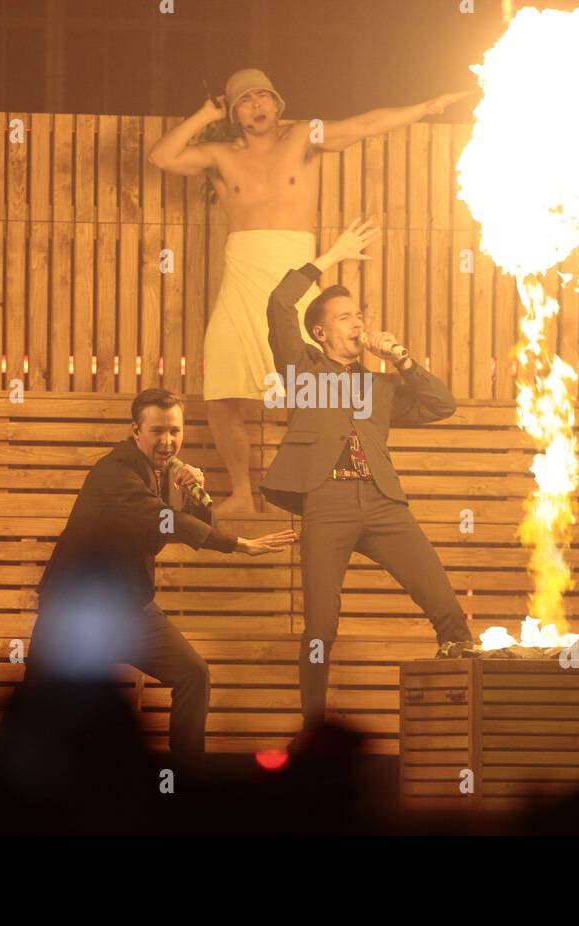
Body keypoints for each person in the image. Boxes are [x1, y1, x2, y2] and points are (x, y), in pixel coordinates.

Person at [148, 67, 475, 515]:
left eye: (263, 97)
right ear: (234, 112)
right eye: (245, 101)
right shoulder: (220, 155)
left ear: (277, 103)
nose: (257, 106)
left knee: (314, 390)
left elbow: (362, 125)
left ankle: (305, 489)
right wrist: (206, 113)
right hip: (241, 273)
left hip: (295, 273)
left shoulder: (303, 136)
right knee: (221, 391)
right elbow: (162, 157)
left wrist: (426, 106)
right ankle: (242, 494)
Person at [259, 219, 473, 738]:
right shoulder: (302, 370)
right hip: (326, 500)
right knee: (321, 627)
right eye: (345, 317)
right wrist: (330, 256)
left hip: (381, 501)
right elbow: (279, 304)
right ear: (320, 333)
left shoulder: (382, 386)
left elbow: (441, 405)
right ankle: (313, 733)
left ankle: (465, 720)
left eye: (360, 315)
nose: (357, 323)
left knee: (445, 605)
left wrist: (401, 359)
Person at [26, 388, 297, 767]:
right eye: (157, 431)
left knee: (192, 673)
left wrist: (193, 494)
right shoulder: (114, 473)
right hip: (75, 609)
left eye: (175, 431)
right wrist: (239, 544)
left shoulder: (162, 473)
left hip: (130, 605)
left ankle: (185, 777)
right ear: (136, 431)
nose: (168, 441)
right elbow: (163, 520)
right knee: (40, 704)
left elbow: (175, 526)